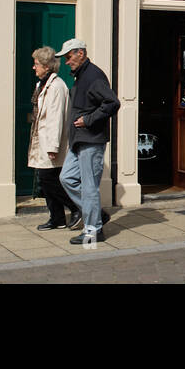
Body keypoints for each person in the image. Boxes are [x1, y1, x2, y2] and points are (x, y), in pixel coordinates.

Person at [58, 39, 119, 244]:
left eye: (69, 57)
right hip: (79, 141)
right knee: (67, 178)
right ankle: (96, 215)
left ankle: (93, 231)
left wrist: (88, 120)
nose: (67, 62)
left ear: (81, 53)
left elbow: (112, 103)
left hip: (91, 139)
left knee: (90, 187)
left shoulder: (93, 76)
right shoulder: (81, 77)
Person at [27, 46, 81, 231]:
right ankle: (57, 218)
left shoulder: (57, 87)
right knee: (47, 180)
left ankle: (77, 208)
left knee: (49, 180)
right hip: (41, 139)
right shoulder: (42, 84)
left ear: (46, 66)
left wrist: (53, 146)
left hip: (51, 142)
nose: (34, 68)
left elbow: (56, 118)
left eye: (36, 64)